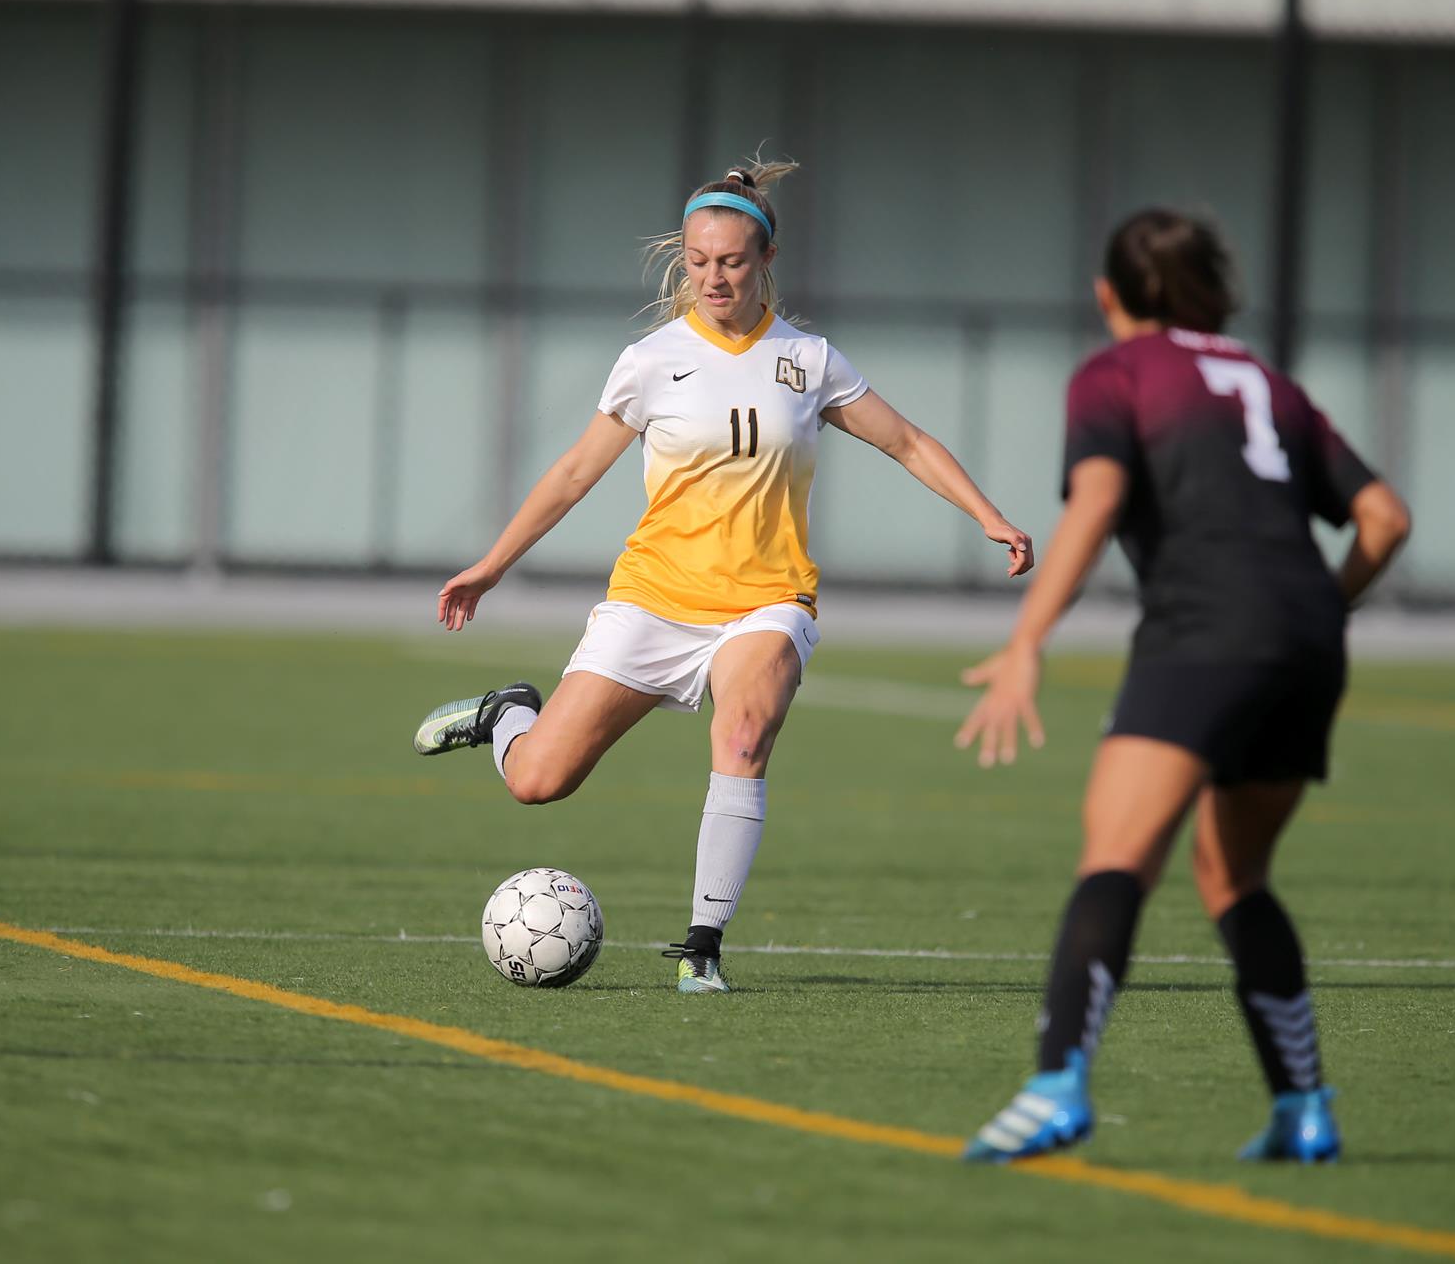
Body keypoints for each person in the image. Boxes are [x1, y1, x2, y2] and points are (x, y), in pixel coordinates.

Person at [413, 157, 1034, 993]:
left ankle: (701, 946)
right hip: (654, 599)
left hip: (767, 602)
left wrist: (986, 514)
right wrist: (489, 568)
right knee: (538, 781)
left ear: (765, 260)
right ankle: (506, 716)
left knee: (744, 733)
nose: (713, 275)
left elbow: (908, 441)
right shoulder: (650, 361)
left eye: (732, 261)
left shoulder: (806, 360)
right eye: (699, 260)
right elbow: (570, 476)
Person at [956, 208, 1411, 1163]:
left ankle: (1054, 1085)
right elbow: (1384, 518)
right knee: (1235, 875)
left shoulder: (1116, 372)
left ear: (1107, 293)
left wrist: (1028, 636)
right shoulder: (1270, 381)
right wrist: (1317, 612)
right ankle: (1303, 1106)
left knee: (1117, 855)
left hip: (1205, 629)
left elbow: (1099, 501)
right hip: (1308, 642)